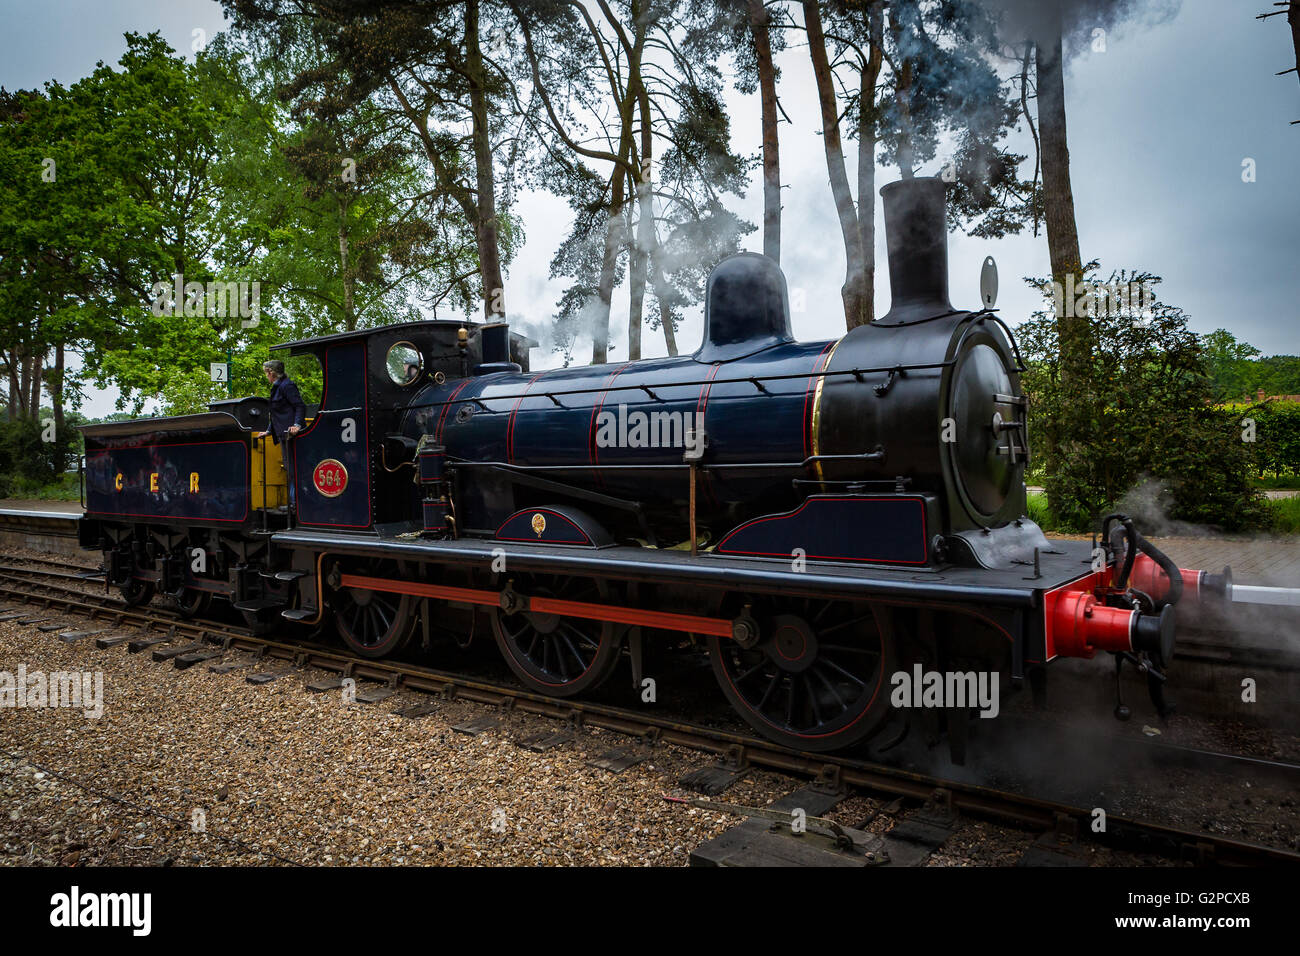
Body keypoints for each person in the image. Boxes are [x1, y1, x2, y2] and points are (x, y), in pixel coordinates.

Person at [256, 359, 306, 509]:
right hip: (283, 434)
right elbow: (277, 413)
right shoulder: (278, 387)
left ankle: (296, 503)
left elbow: (299, 406)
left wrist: (297, 425)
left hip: (292, 435)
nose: (266, 376)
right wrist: (269, 431)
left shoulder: (287, 386)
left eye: (266, 373)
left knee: (294, 469)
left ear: (271, 373)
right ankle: (294, 502)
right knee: (290, 469)